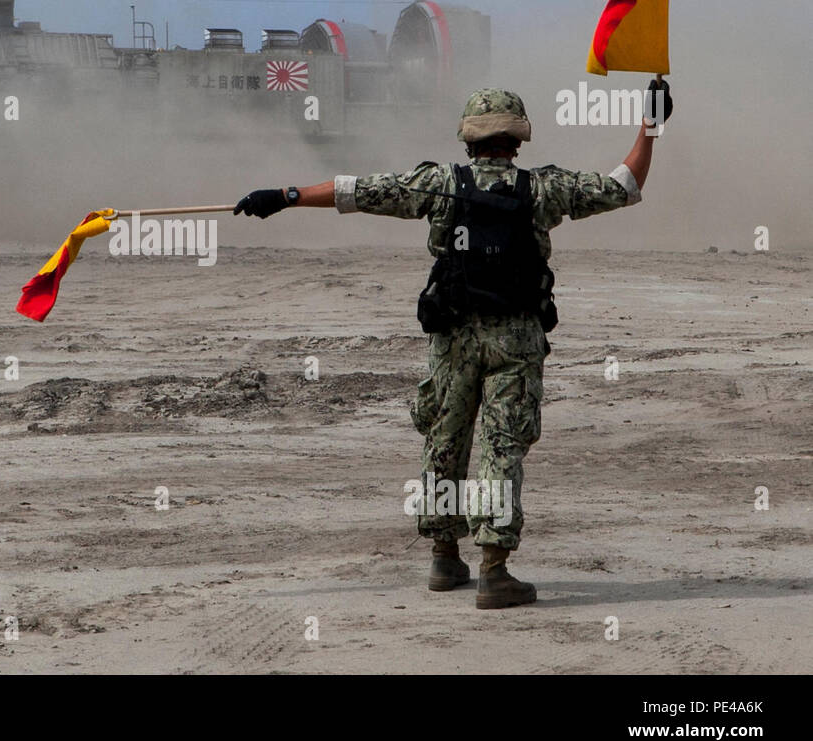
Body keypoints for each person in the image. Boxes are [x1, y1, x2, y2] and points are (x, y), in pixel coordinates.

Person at [233, 82, 671, 608]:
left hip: (453, 336)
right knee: (502, 447)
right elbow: (624, 185)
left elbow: (357, 191)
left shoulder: (440, 183)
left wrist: (285, 196)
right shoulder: (544, 189)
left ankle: (444, 555)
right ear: (519, 137)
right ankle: (495, 570)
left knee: (445, 438)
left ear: (468, 137)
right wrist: (650, 125)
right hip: (515, 336)